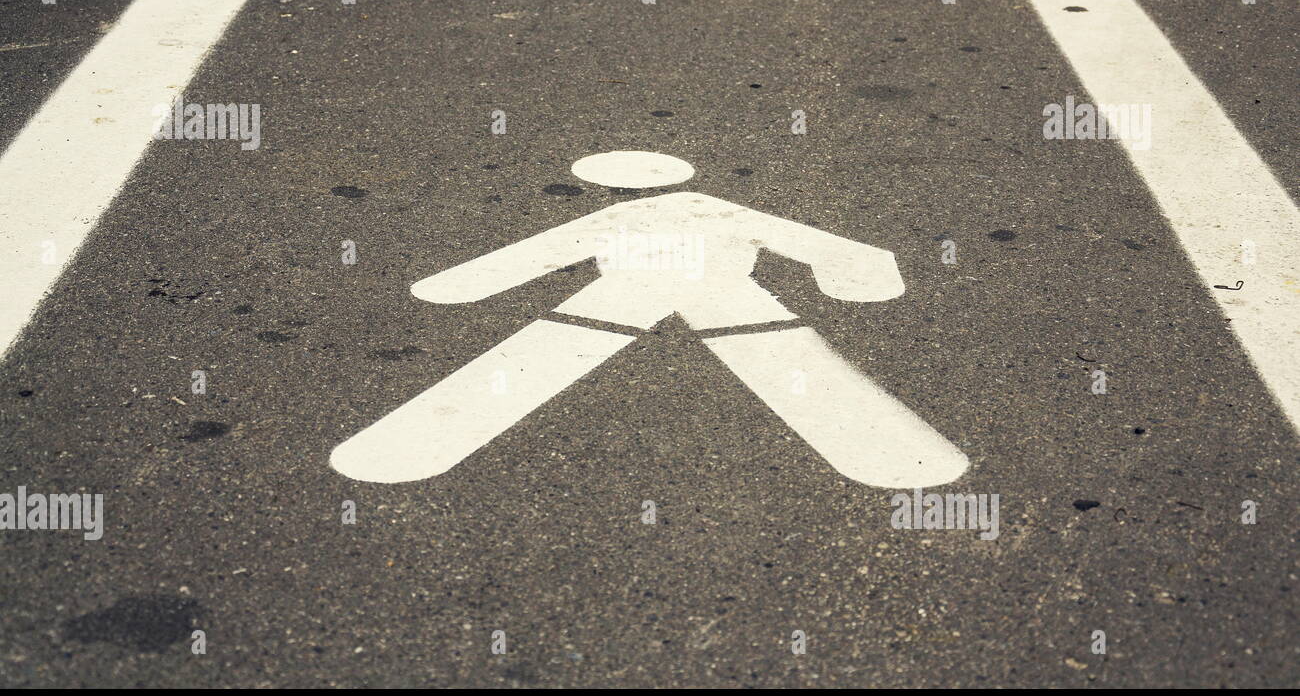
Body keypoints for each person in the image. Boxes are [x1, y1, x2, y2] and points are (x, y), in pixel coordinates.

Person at [331, 151, 968, 488]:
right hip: (687, 291)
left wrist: (464, 287)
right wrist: (854, 278)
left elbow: (539, 253)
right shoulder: (701, 208)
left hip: (666, 291)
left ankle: (412, 445)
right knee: (785, 360)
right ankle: (891, 455)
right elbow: (840, 251)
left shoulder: (688, 207)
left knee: (533, 358)